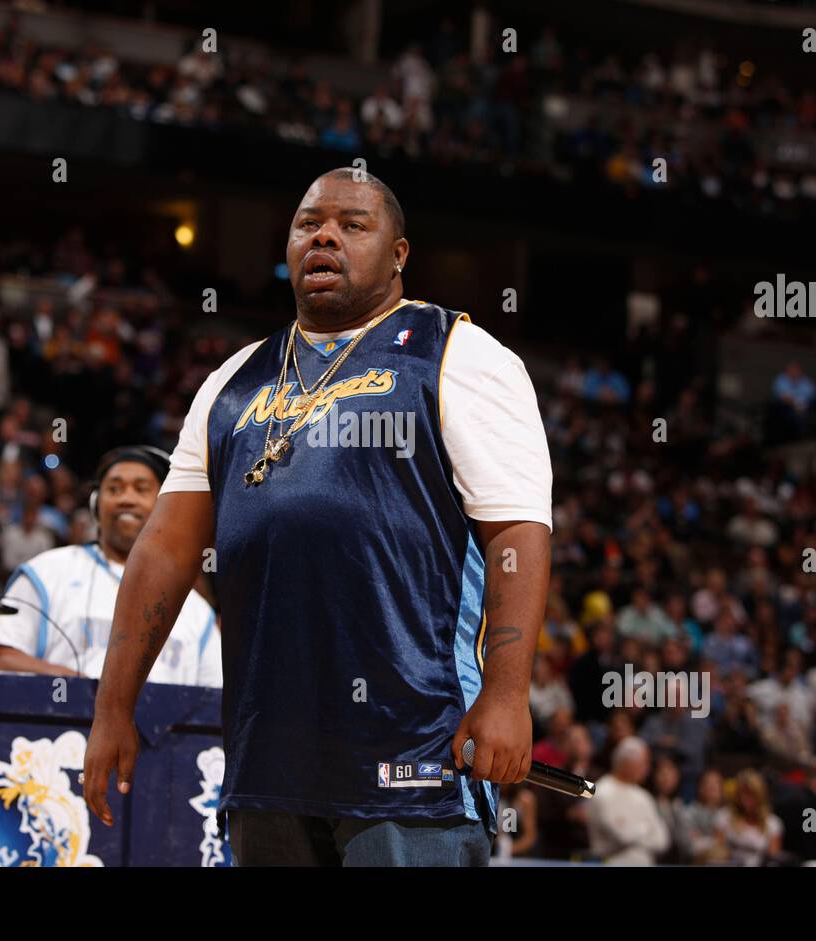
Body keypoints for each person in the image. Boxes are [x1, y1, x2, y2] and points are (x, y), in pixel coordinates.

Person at [83, 168, 552, 866]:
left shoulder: (458, 353)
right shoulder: (233, 381)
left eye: (352, 225)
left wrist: (508, 694)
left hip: (414, 747)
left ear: (398, 254)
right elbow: (164, 551)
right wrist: (113, 708)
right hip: (268, 757)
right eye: (309, 224)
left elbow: (517, 531)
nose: (325, 237)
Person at [0, 446, 220, 684]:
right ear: (95, 504)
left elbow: (216, 695)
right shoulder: (47, 571)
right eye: (114, 489)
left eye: (141, 489)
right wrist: (81, 688)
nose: (126, 499)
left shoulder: (195, 610)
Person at [587, 736, 670, 865]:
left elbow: (661, 840)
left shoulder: (644, 796)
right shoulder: (602, 791)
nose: (647, 769)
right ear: (626, 762)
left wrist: (635, 831)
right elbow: (622, 837)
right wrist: (645, 830)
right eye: (644, 763)